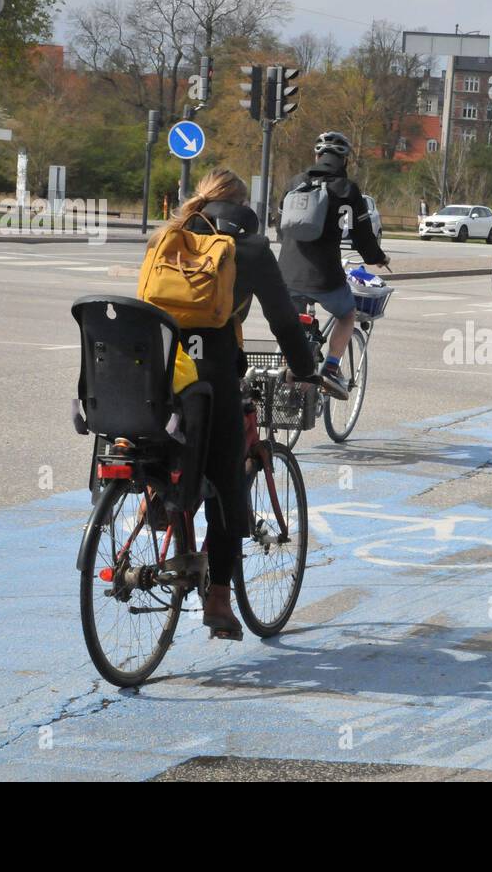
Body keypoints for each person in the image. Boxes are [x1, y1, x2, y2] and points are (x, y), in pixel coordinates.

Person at [173, 168, 318, 640]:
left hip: (158, 375)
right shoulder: (249, 249)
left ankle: (156, 498)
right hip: (213, 380)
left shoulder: (171, 236)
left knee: (169, 447)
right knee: (227, 483)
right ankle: (218, 596)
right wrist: (305, 367)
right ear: (244, 208)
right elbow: (283, 319)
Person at [278, 131, 390, 399]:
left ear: (317, 156)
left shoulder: (295, 182)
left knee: (292, 324)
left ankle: (286, 374)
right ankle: (330, 368)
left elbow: (280, 227)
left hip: (286, 274)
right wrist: (378, 258)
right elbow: (362, 236)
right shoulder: (347, 189)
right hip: (324, 276)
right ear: (344, 161)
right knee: (347, 314)